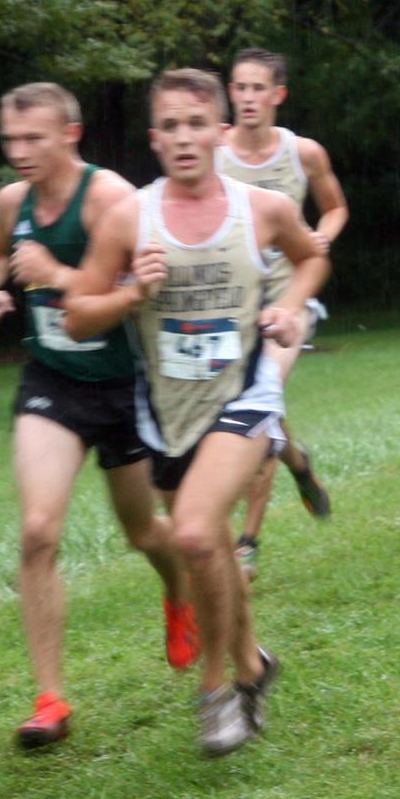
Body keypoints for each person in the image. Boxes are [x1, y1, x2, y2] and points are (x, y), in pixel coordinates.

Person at [62, 68, 327, 756]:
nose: (184, 138)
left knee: (195, 535)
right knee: (207, 548)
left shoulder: (261, 207)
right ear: (154, 139)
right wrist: (129, 295)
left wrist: (290, 305)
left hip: (244, 393)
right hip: (167, 408)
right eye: (170, 127)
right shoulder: (130, 218)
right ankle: (252, 665)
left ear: (220, 131)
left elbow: (310, 258)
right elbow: (78, 315)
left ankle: (215, 690)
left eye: (196, 124)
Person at [0, 81, 193, 750]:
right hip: (53, 381)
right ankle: (49, 699)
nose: (19, 153)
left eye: (33, 138)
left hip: (123, 384)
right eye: (11, 140)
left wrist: (56, 273)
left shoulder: (112, 199)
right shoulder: (13, 203)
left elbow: (146, 288)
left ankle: (180, 598)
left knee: (144, 531)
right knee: (38, 529)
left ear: (70, 133)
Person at [215, 49, 344, 579]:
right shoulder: (212, 149)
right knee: (244, 410)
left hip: (289, 299)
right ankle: (299, 462)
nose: (246, 98)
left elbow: (335, 206)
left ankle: (248, 541)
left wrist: (321, 237)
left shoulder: (302, 153)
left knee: (259, 405)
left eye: (256, 88)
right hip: (230, 305)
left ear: (277, 95)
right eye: (238, 87)